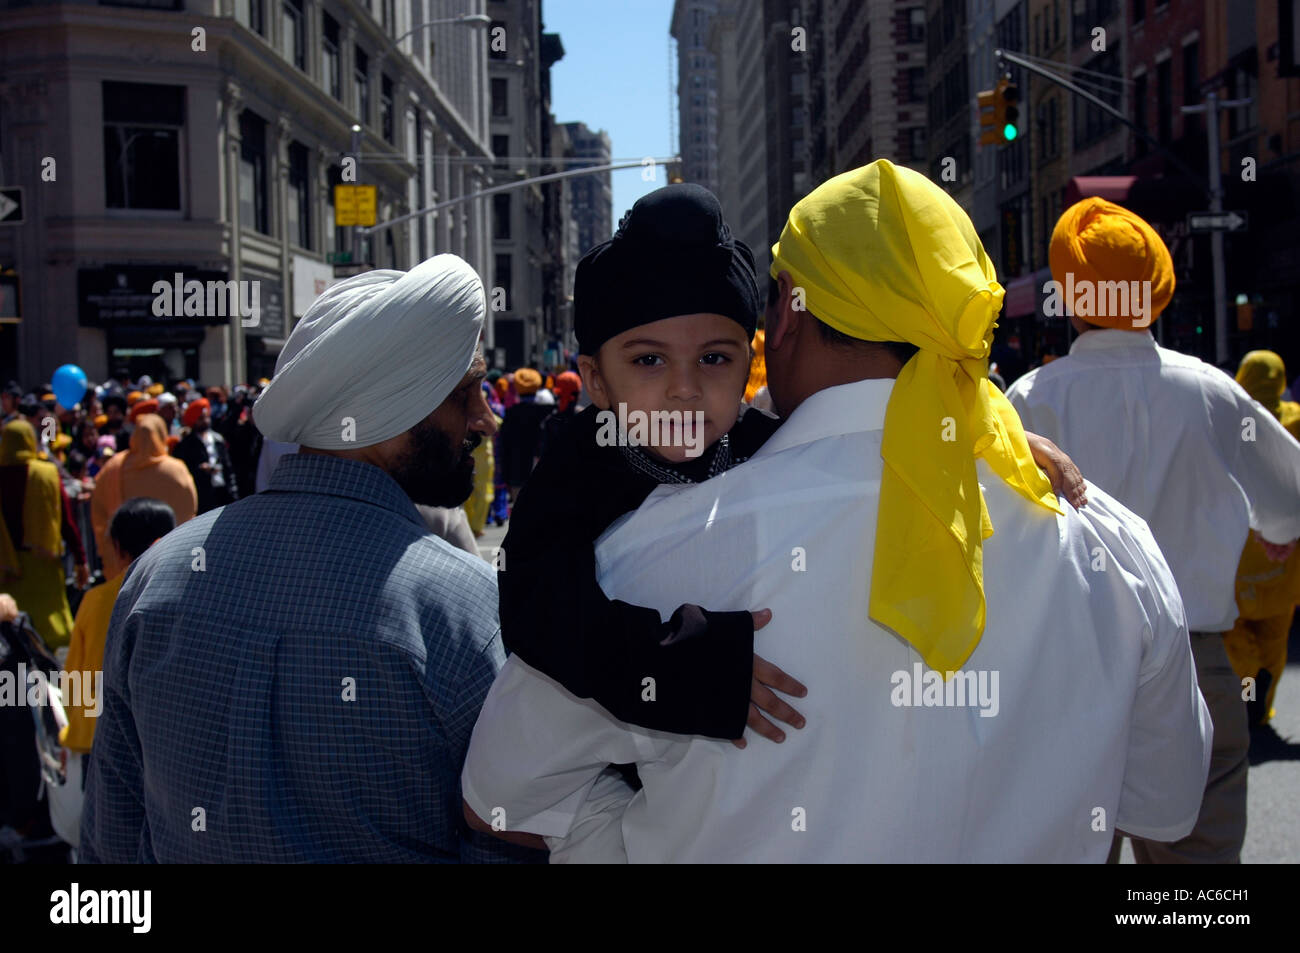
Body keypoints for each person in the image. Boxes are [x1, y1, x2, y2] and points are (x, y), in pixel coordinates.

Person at [462, 160, 1211, 863]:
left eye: (715, 355)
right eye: (649, 360)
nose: (685, 391)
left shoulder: (644, 555)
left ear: (784, 315)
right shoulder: (1114, 544)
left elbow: (499, 799)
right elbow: (1163, 808)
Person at [80, 254, 540, 863]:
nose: (486, 417)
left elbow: (110, 836)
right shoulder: (468, 608)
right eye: (463, 394)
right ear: (388, 413)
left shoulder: (155, 577)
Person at [1006, 197, 1300, 864]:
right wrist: (1273, 529)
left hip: (1071, 670)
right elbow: (1289, 496)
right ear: (1159, 294)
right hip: (1198, 664)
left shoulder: (1028, 401)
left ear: (1070, 298)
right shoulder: (1212, 392)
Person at [58, 498, 177, 848]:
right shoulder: (184, 590)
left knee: (108, 837)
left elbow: (75, 680)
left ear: (118, 548)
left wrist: (76, 734)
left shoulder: (95, 600)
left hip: (101, 743)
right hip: (163, 743)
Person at [1223, 350, 1300, 729]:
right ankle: (1263, 705)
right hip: (1284, 557)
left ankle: (1248, 683)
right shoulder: (1296, 419)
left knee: (1235, 636)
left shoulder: (1228, 420)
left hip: (1237, 555)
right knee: (1275, 634)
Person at [90, 414, 197, 578]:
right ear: (163, 434)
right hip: (169, 562)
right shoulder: (176, 471)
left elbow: (98, 513)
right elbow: (189, 514)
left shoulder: (113, 467)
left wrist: (109, 551)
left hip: (122, 565)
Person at [0, 420, 76, 648]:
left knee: (9, 627)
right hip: (42, 563)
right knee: (46, 628)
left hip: (6, 567)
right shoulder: (47, 474)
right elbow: (66, 521)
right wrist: (81, 559)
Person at [173, 398, 238, 513]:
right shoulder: (186, 444)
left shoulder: (218, 439)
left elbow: (228, 467)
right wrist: (201, 470)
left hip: (222, 492)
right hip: (203, 495)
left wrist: (233, 491)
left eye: (207, 417)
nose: (205, 421)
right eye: (201, 418)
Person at [497, 367, 552, 492]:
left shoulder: (510, 414)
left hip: (516, 472)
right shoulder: (547, 412)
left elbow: (505, 445)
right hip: (542, 472)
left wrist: (505, 474)